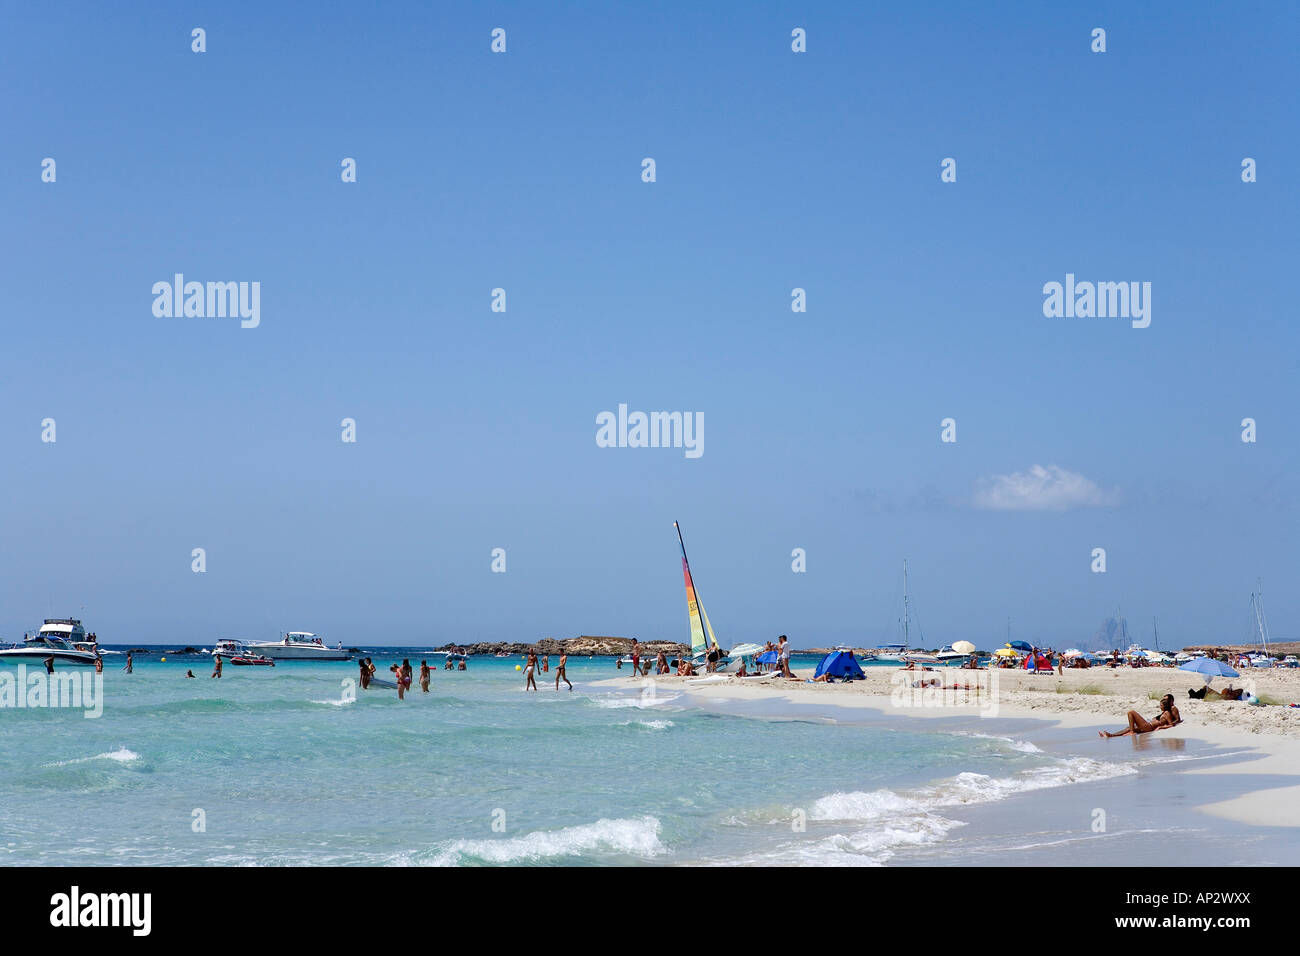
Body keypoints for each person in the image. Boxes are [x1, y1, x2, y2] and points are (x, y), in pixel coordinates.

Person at [1099, 695, 1181, 737]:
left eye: (1161, 705)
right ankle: (1111, 735)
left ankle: (1132, 732)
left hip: (1149, 726)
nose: (1160, 706)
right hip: (1148, 726)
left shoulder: (1167, 713)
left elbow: (1171, 724)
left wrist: (1161, 727)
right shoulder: (1164, 713)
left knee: (1131, 712)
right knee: (1128, 727)